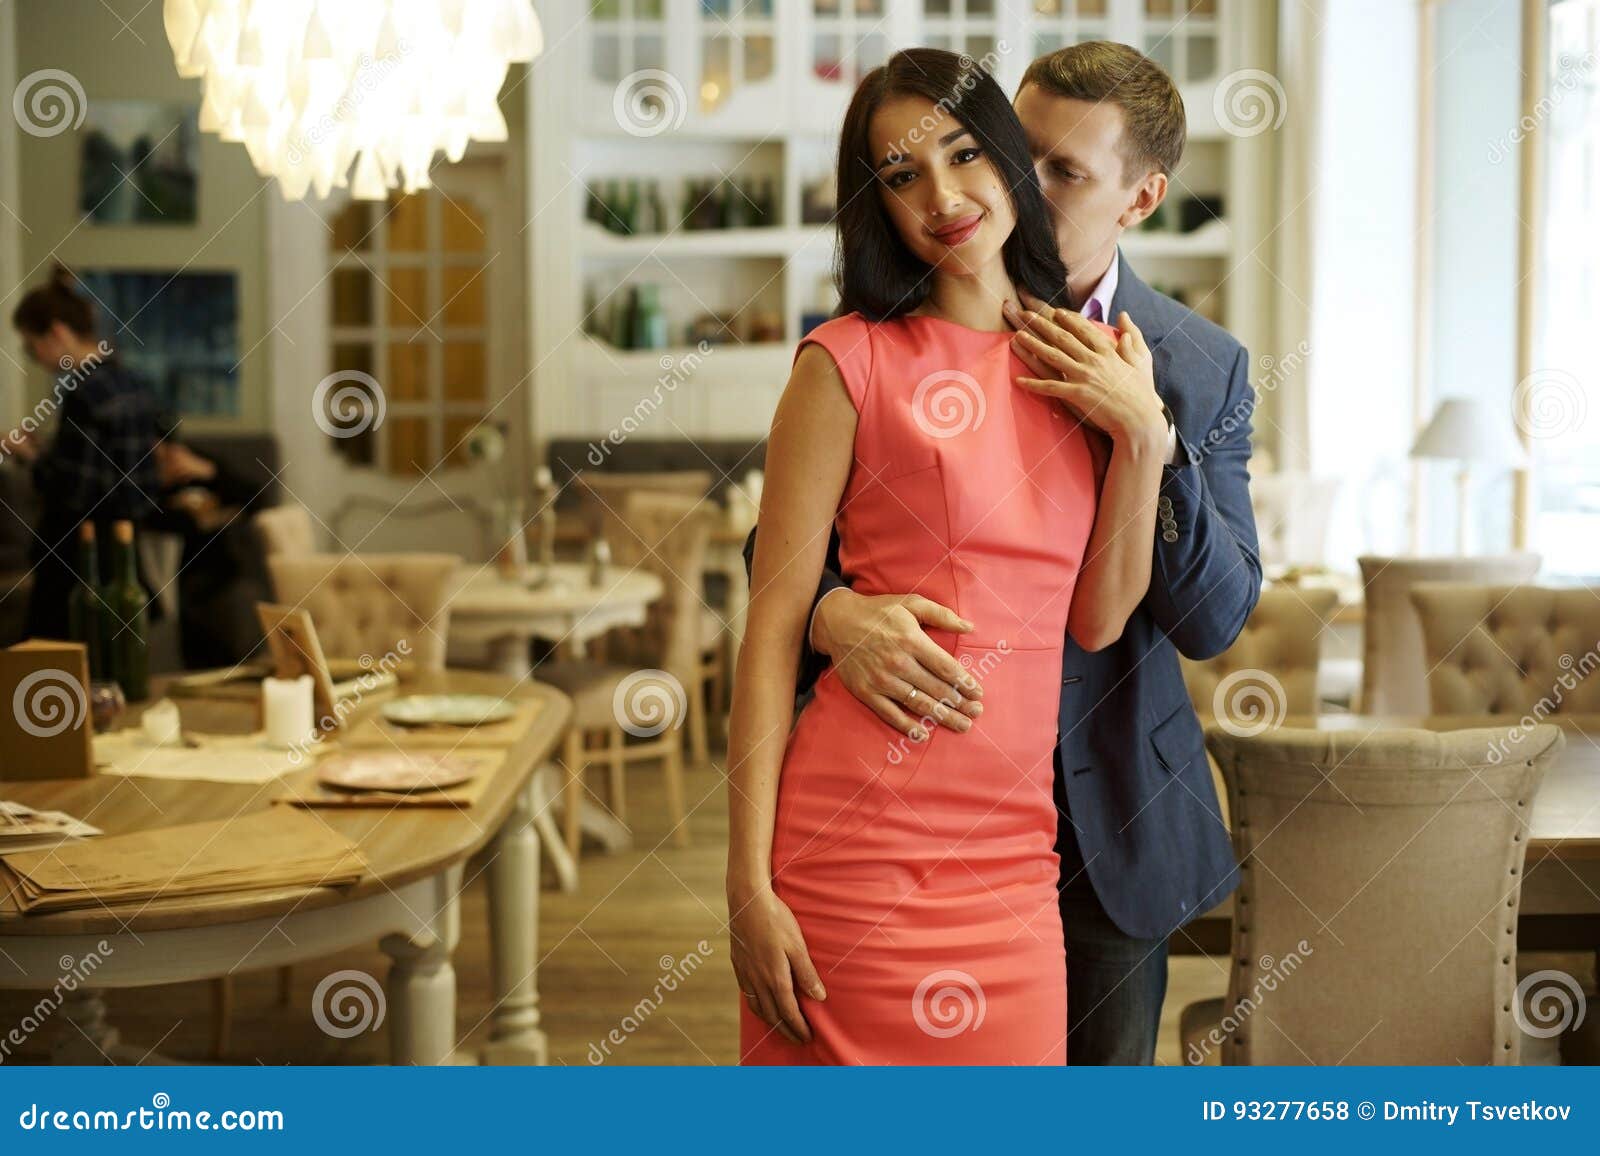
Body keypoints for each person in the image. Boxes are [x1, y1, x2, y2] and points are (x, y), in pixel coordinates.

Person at [741, 41, 1261, 1064]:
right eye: (1014, 149)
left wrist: (1144, 435)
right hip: (877, 817)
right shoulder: (859, 354)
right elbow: (786, 564)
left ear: (1139, 198)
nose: (983, 186)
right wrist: (836, 613)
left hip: (1104, 820)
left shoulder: (1190, 363)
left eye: (1063, 170)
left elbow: (1210, 614)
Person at [5, 266, 164, 643]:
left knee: (48, 664)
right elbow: (120, 472)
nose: (36, 358)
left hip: (80, 558)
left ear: (58, 333)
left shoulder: (83, 393)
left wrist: (28, 456)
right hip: (125, 551)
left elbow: (72, 492)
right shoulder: (132, 383)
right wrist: (46, 450)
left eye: (32, 346)